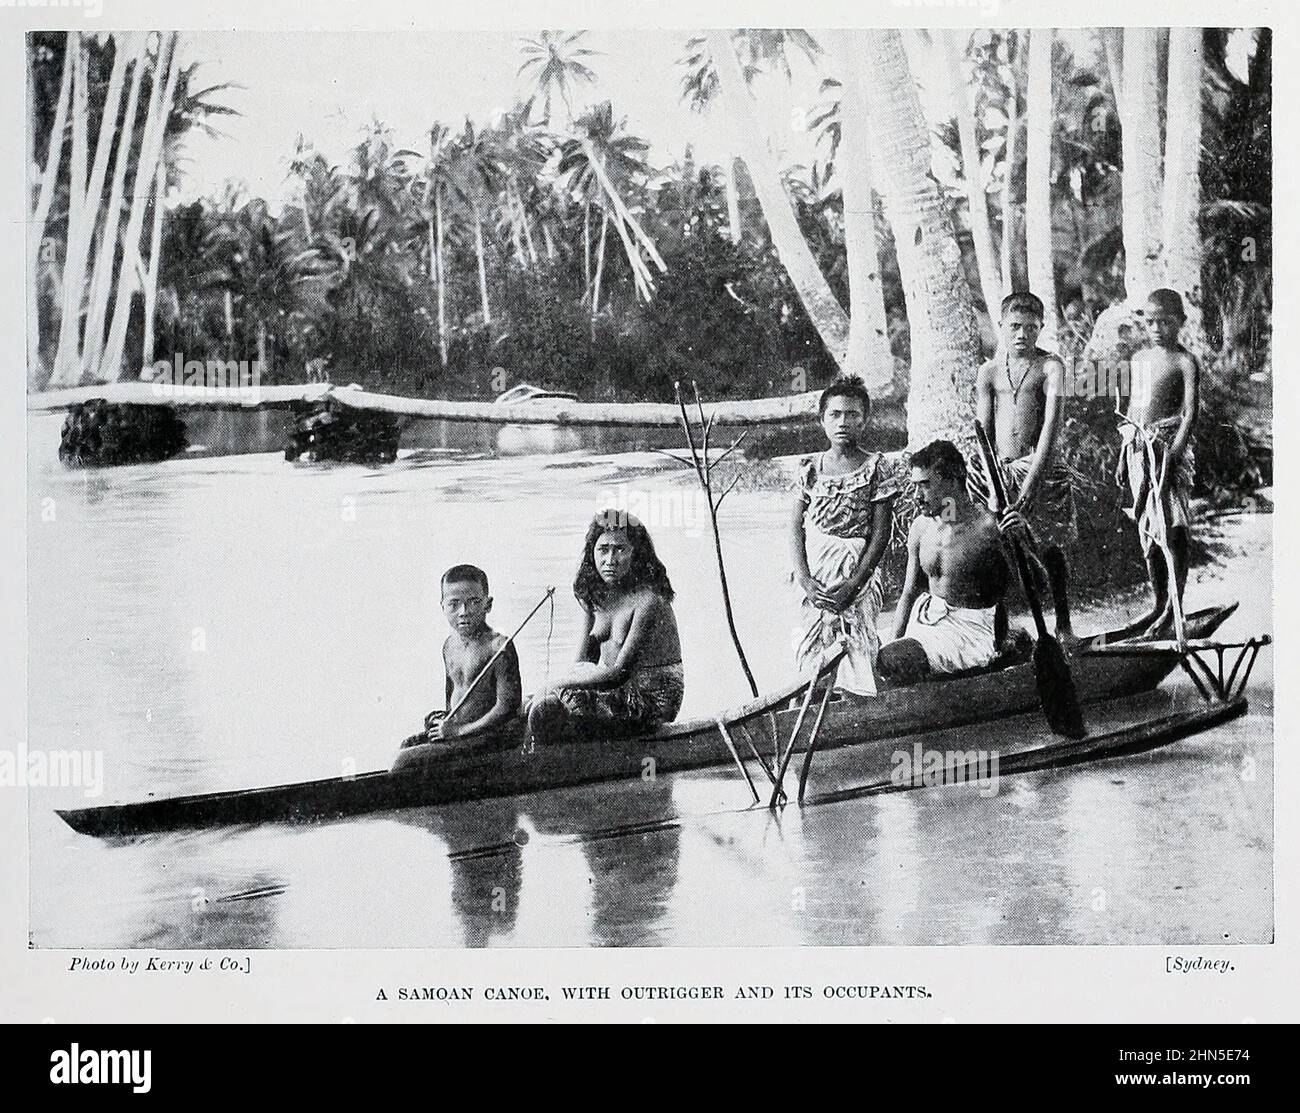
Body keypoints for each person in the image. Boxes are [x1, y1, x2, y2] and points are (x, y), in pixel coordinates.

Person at [971, 290, 1078, 636]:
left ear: (1041, 327)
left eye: (1031, 328)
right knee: (998, 545)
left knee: (1050, 544)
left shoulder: (1051, 367)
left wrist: (1031, 482)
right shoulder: (989, 372)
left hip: (1042, 470)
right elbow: (983, 432)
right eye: (1014, 327)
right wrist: (991, 480)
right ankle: (998, 629)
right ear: (1000, 326)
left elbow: (1050, 427)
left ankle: (1063, 624)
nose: (1022, 335)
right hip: (1000, 472)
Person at [526, 512, 684, 745]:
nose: (610, 559)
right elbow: (581, 663)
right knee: (528, 703)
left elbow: (618, 673)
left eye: (620, 549)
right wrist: (552, 688)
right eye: (603, 549)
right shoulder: (593, 596)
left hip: (653, 700)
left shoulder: (649, 600)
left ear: (636, 554)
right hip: (615, 691)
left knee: (548, 705)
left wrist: (555, 686)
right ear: (592, 552)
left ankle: (543, 761)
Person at [790, 375, 901, 696]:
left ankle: (858, 707)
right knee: (813, 648)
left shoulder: (876, 466)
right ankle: (812, 703)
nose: (843, 422)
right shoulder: (810, 467)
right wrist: (806, 580)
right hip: (816, 570)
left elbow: (881, 533)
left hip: (857, 572)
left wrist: (853, 584)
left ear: (864, 420)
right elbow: (795, 527)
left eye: (852, 415)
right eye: (835, 415)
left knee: (855, 643)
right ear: (822, 420)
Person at [879, 441, 1024, 682]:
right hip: (926, 621)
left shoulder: (988, 527)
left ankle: (981, 670)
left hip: (968, 632)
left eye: (925, 486)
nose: (917, 497)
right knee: (863, 652)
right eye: (915, 486)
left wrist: (1017, 547)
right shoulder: (921, 527)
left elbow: (1021, 593)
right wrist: (896, 639)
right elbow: (909, 592)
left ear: (953, 481)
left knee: (892, 659)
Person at [1116, 288, 1201, 636]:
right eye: (1150, 322)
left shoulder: (1185, 361)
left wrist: (1173, 455)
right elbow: (1134, 412)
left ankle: (1174, 607)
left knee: (1173, 526)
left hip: (1168, 449)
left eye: (1165, 322)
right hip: (1140, 450)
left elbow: (1189, 413)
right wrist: (1125, 457)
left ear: (1180, 322)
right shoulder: (1138, 360)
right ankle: (1157, 602)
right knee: (1148, 527)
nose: (1156, 328)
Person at [402, 564, 522, 749]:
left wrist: (459, 731)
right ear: (443, 606)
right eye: (454, 604)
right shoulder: (449, 646)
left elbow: (506, 708)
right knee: (407, 745)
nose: (463, 611)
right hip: (457, 731)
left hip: (487, 736)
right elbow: (452, 693)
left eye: (473, 602)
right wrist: (445, 719)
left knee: (406, 761)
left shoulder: (498, 647)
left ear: (488, 605)